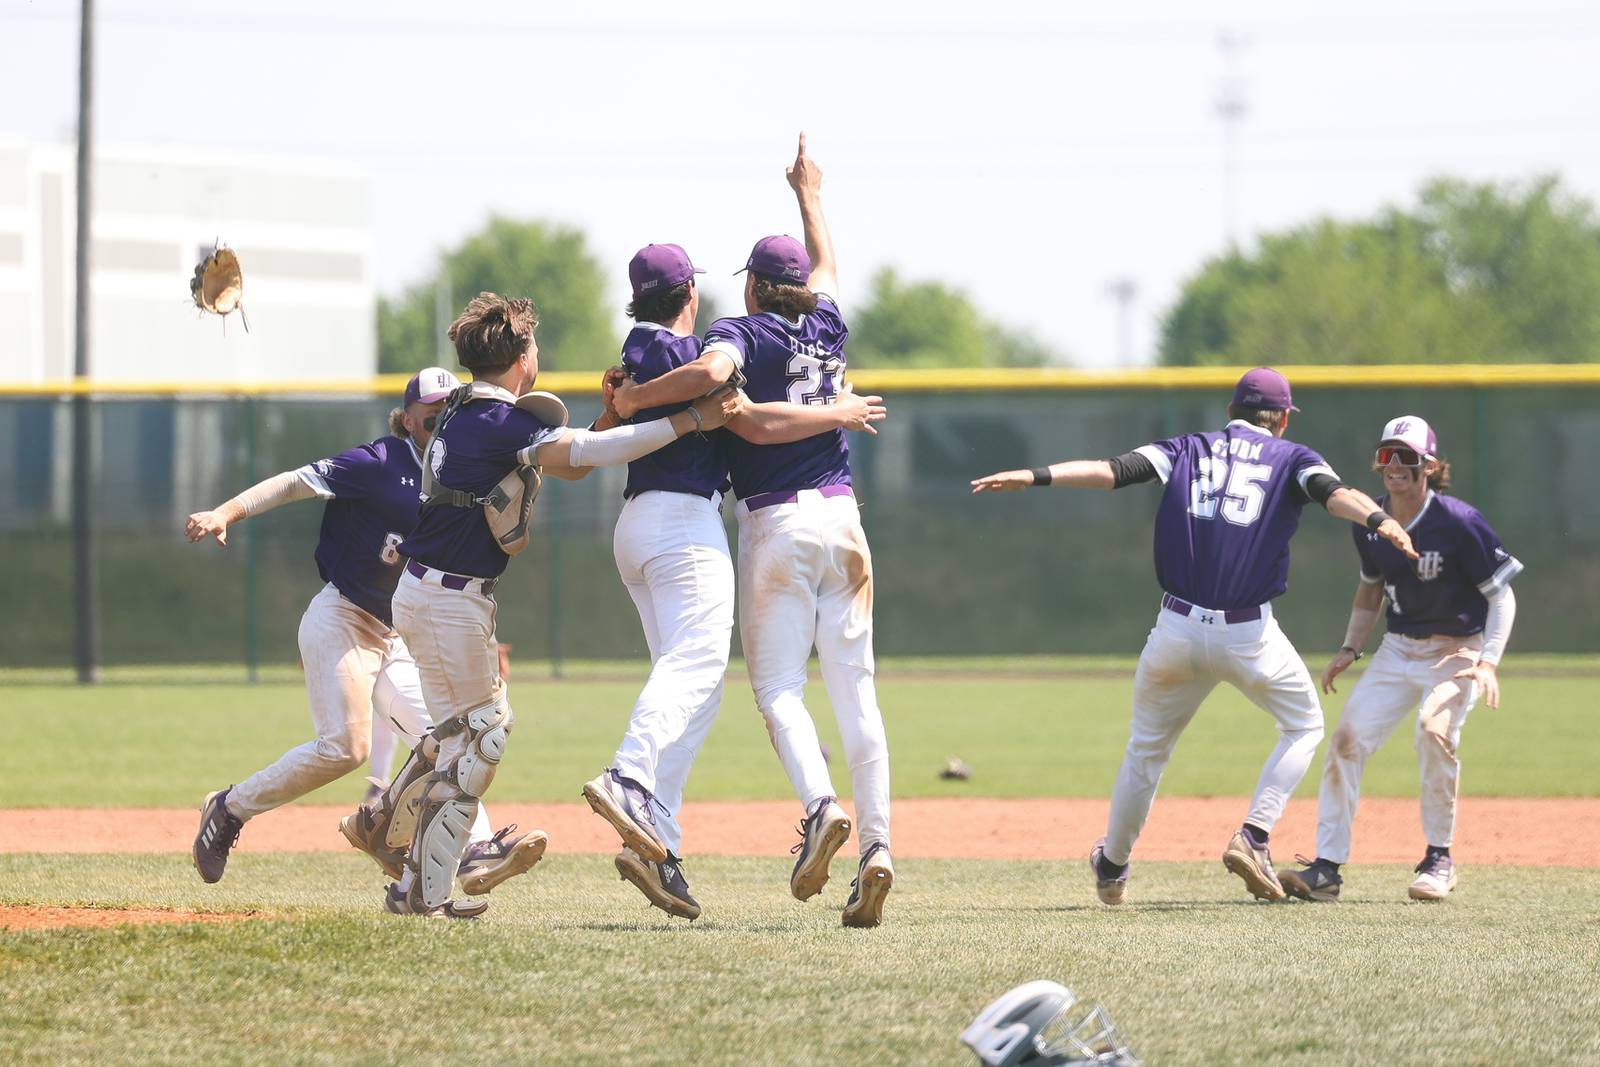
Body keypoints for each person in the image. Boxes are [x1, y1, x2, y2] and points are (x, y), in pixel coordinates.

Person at [971, 368, 1418, 904]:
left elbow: (1112, 471)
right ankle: (1253, 835)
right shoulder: (1294, 457)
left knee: (1146, 751)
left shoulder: (1188, 447)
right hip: (1247, 633)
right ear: (1278, 419)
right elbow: (1334, 494)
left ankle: (1112, 867)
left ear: (1232, 412)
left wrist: (1034, 474)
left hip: (1176, 629)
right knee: (1303, 724)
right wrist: (1377, 519)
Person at [366, 291, 741, 918]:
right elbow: (580, 458)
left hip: (421, 590)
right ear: (520, 355)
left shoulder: (461, 412)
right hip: (450, 599)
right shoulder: (500, 420)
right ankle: (422, 891)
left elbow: (569, 463)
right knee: (480, 740)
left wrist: (608, 420)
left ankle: (394, 844)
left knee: (456, 737)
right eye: (533, 345)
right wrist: (691, 422)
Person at [612, 134, 895, 928]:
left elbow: (729, 399)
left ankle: (819, 811)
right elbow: (829, 264)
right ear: (798, 286)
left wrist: (634, 401)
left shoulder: (746, 333)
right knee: (860, 693)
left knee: (777, 690)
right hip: (847, 521)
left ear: (753, 287)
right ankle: (877, 848)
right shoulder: (829, 320)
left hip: (778, 524)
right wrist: (810, 193)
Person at [186, 369, 537, 897]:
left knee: (447, 740)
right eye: (431, 410)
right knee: (344, 748)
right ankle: (229, 807)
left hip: (399, 633)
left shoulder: (460, 465)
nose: (440, 417)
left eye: (449, 407)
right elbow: (294, 481)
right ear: (409, 417)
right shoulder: (379, 462)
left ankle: (467, 849)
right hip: (344, 616)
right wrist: (226, 512)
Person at [1280, 416, 1520, 903]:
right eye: (1386, 455)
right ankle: (1326, 870)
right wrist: (1351, 647)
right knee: (1346, 741)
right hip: (1398, 648)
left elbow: (1502, 596)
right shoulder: (1370, 523)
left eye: (1406, 456)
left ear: (1429, 466)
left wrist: (1488, 660)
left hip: (1457, 648)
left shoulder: (1458, 521)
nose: (1394, 466)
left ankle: (1439, 859)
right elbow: (1371, 590)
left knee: (1433, 732)